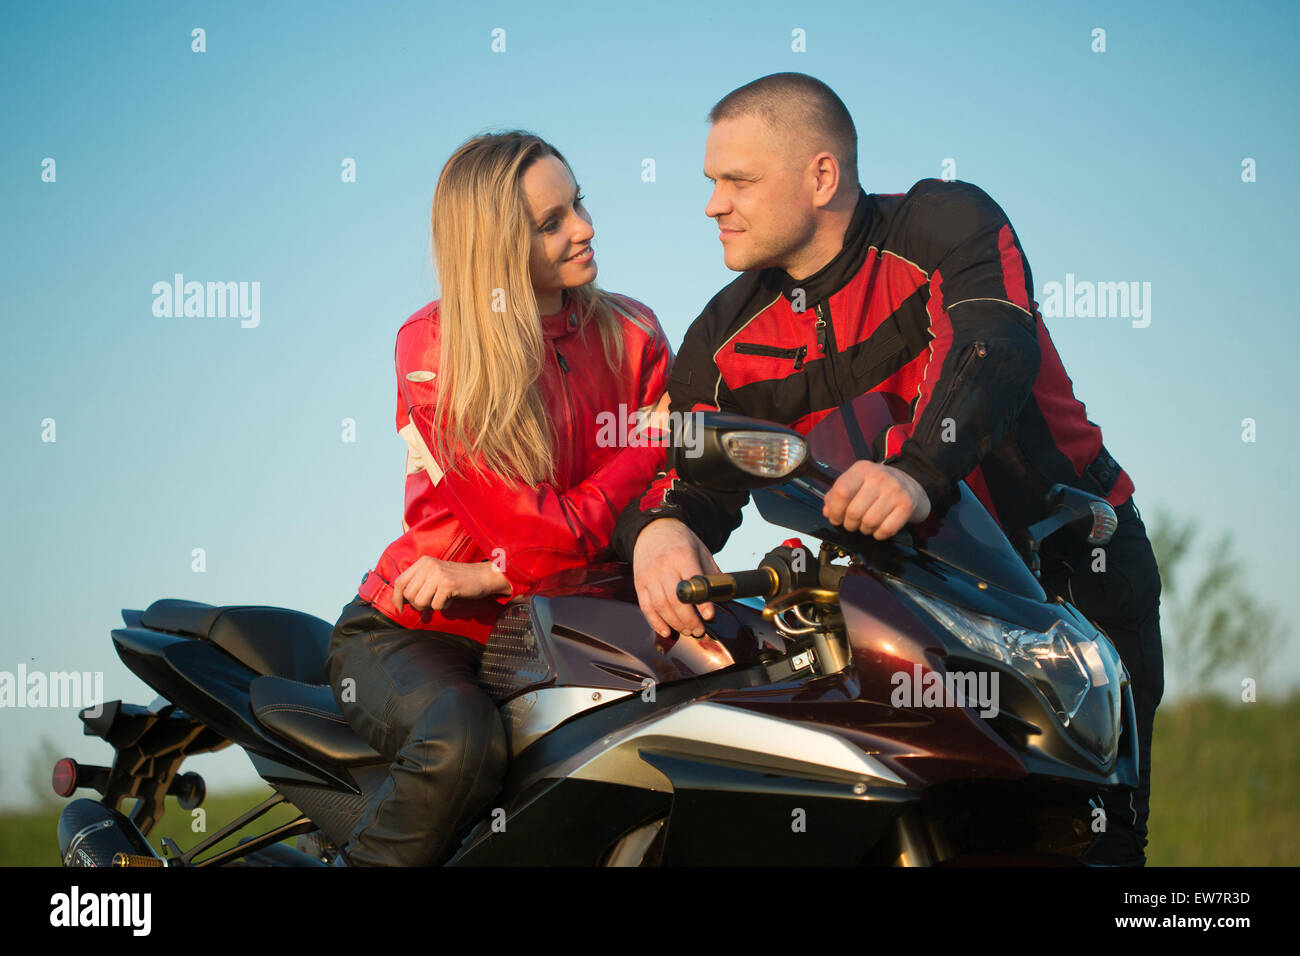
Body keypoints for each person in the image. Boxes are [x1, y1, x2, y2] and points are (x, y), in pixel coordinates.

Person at [612, 73, 1163, 867]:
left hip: (1069, 571)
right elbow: (698, 478)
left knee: (1088, 843)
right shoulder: (722, 338)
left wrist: (915, 471)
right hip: (904, 610)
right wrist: (661, 531)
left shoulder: (949, 222)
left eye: (738, 181)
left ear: (821, 176)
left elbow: (994, 349)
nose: (713, 205)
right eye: (711, 183)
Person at [327, 130, 673, 866]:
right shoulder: (437, 349)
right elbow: (545, 536)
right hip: (426, 632)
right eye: (550, 223)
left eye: (578, 203)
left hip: (574, 627)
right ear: (494, 246)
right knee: (464, 741)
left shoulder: (635, 331)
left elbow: (664, 509)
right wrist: (649, 444)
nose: (583, 228)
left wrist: (499, 568)